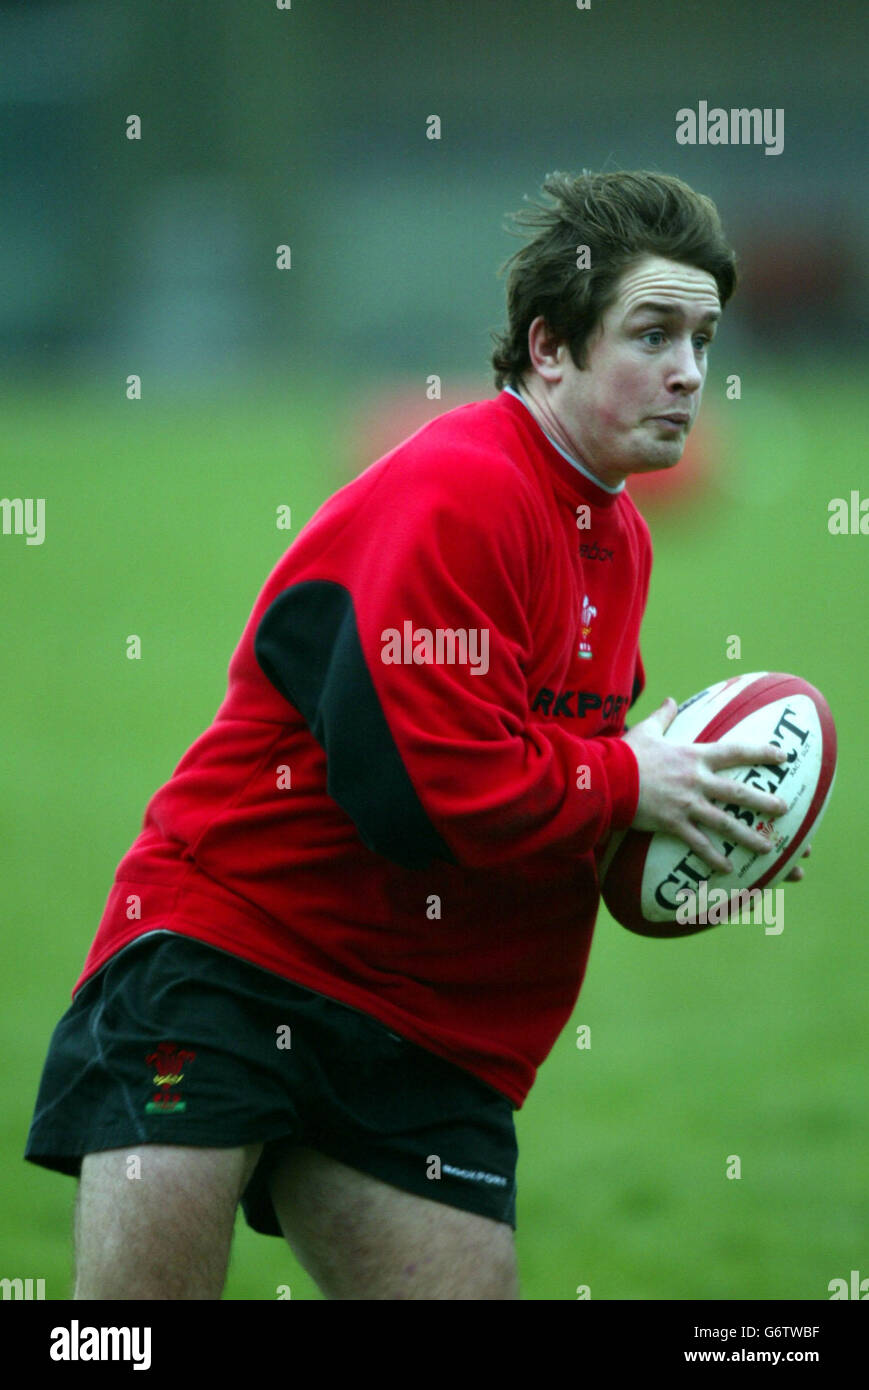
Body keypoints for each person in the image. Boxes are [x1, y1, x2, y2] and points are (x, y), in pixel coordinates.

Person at [25, 169, 805, 1301]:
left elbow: (557, 783)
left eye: (702, 337)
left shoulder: (616, 534)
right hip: (235, 960)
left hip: (426, 1027)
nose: (688, 372)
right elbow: (421, 787)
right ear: (548, 349)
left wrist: (716, 813)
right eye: (651, 334)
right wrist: (631, 778)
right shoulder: (462, 489)